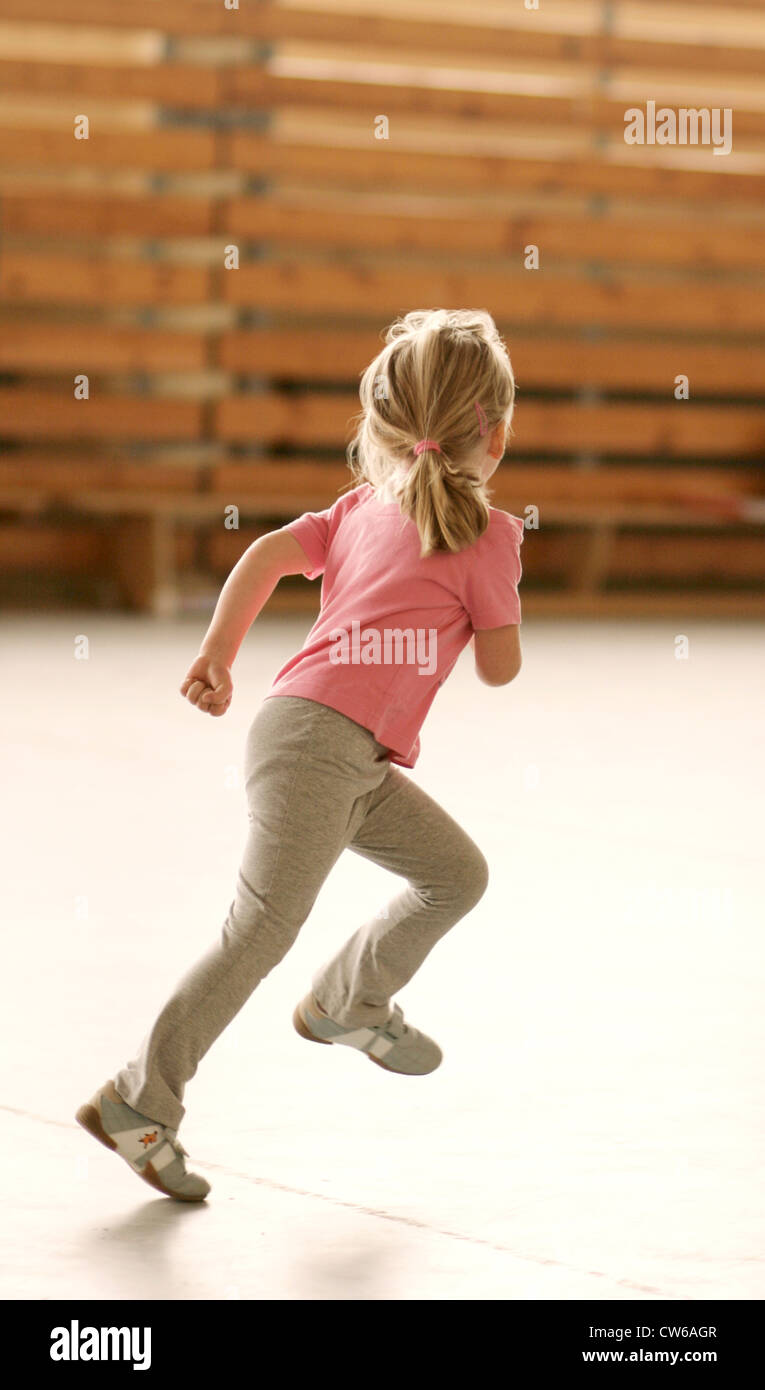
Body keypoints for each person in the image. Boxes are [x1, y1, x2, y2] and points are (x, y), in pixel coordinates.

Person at [75, 308, 525, 1201]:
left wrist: (217, 652)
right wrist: (492, 596)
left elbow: (266, 555)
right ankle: (138, 1097)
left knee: (455, 874)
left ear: (384, 426)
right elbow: (502, 670)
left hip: (333, 748)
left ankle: (346, 1002)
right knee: (258, 933)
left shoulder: (360, 507)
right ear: (498, 433)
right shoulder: (489, 536)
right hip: (323, 745)